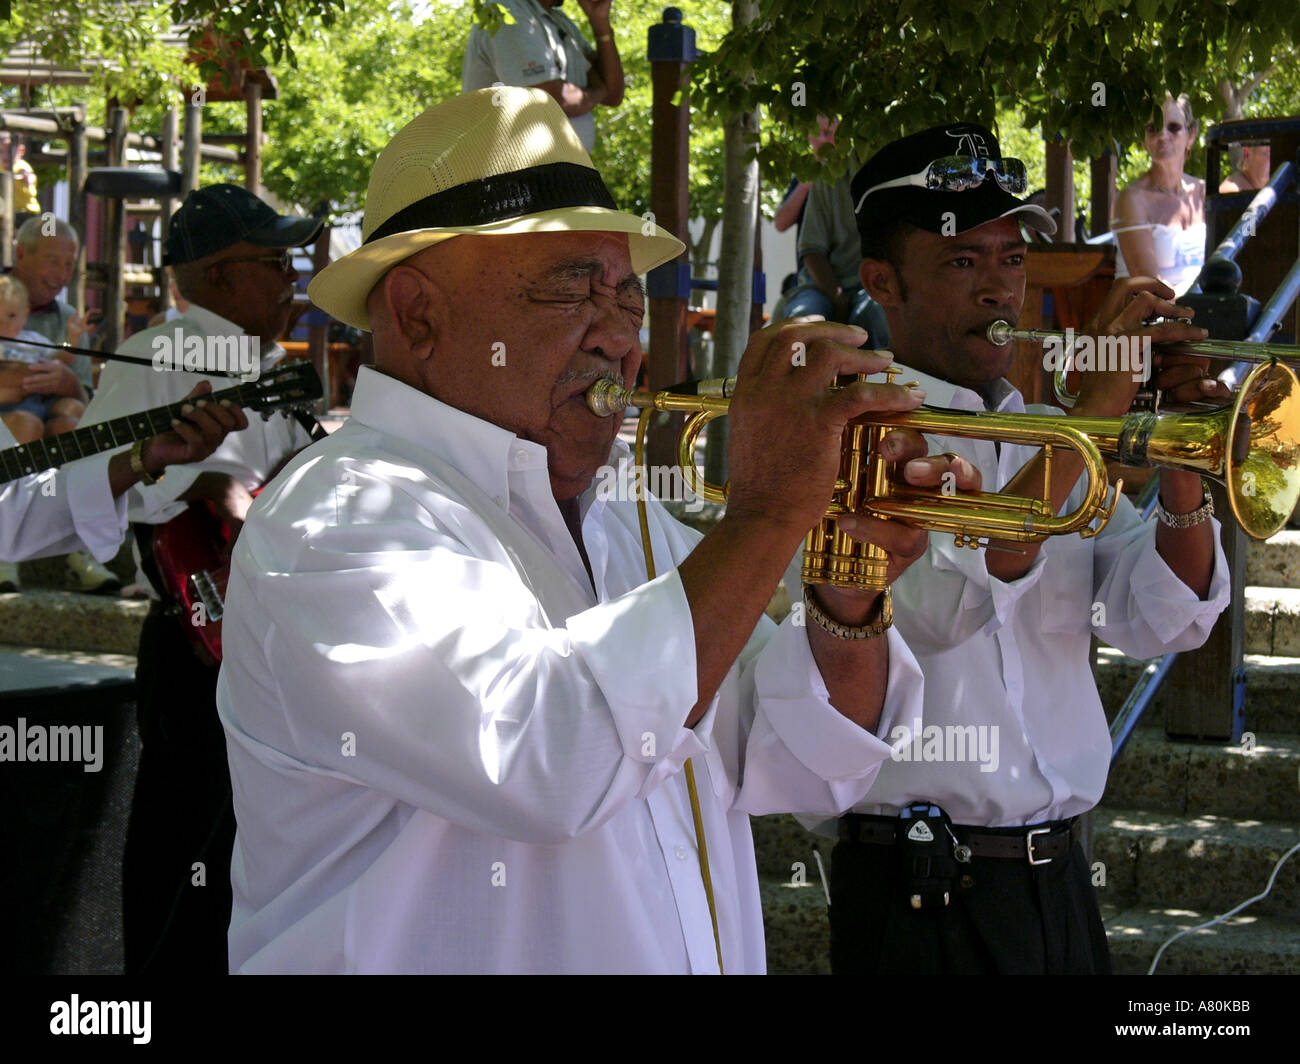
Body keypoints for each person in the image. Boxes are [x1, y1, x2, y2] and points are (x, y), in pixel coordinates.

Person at [215, 87, 984, 975]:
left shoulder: (623, 512)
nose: (623, 340)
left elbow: (795, 759)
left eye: (629, 297)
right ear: (419, 314)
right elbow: (549, 757)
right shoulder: (338, 515)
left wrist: (848, 585)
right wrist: (772, 512)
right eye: (577, 289)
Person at [818, 121, 1232, 975]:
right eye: (963, 261)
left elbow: (1162, 621)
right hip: (914, 891)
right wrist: (1093, 417)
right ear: (881, 281)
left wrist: (1182, 453)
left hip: (1059, 885)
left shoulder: (1051, 438)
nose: (998, 290)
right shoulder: (845, 432)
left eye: (1012, 260)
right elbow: (943, 613)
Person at [77, 182, 323, 974]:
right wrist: (194, 486)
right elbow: (92, 476)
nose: (295, 277)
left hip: (266, 646)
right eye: (275, 261)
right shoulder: (158, 354)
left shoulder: (267, 360)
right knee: (185, 848)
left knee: (245, 856)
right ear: (217, 274)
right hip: (197, 650)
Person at [462, 0, 623, 153]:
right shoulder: (506, 12)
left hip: (560, 173)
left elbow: (613, 94)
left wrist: (600, 24)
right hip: (512, 173)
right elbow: (549, 98)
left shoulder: (559, 20)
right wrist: (598, 90)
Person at [1111, 93, 1206, 297]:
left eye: (1173, 127)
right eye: (1153, 129)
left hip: (1201, 316)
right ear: (1144, 141)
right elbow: (1150, 286)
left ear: (1191, 135)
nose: (1163, 136)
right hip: (1149, 320)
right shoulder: (1132, 198)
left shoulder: (1205, 195)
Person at [783, 170, 890, 347]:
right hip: (820, 287)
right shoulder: (828, 177)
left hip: (873, 288)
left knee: (876, 316)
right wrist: (838, 297)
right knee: (802, 326)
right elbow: (811, 250)